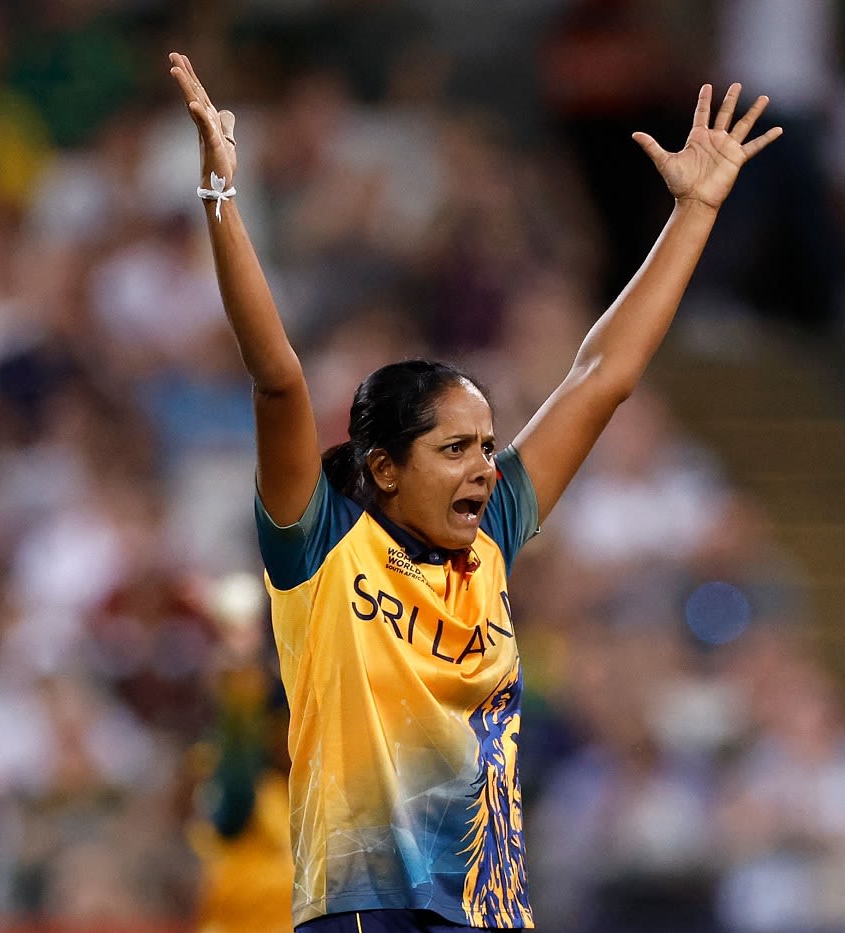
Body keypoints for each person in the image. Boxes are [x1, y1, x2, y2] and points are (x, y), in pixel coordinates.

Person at [167, 50, 781, 933]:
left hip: (487, 914)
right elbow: (278, 379)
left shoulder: (492, 529)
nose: (486, 466)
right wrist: (223, 199)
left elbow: (600, 376)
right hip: (359, 908)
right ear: (384, 467)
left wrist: (692, 213)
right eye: (455, 448)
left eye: (489, 446)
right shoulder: (319, 547)